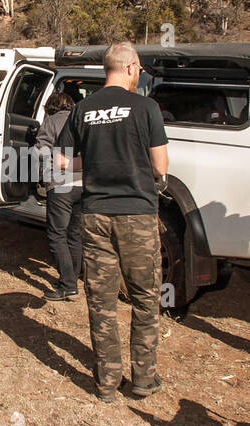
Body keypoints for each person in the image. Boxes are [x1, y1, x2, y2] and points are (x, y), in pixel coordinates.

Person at [57, 42, 169, 402]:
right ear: (132, 67)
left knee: (101, 301)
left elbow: (61, 162)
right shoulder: (146, 107)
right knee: (145, 298)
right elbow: (160, 167)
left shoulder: (83, 109)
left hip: (95, 216)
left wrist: (94, 164)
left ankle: (106, 382)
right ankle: (143, 379)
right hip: (136, 214)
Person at [35, 91, 82, 301]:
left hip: (60, 184)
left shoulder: (50, 122)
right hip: (83, 183)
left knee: (57, 235)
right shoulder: (81, 120)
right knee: (75, 234)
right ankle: (74, 277)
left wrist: (43, 177)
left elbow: (41, 152)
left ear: (51, 106)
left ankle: (68, 285)